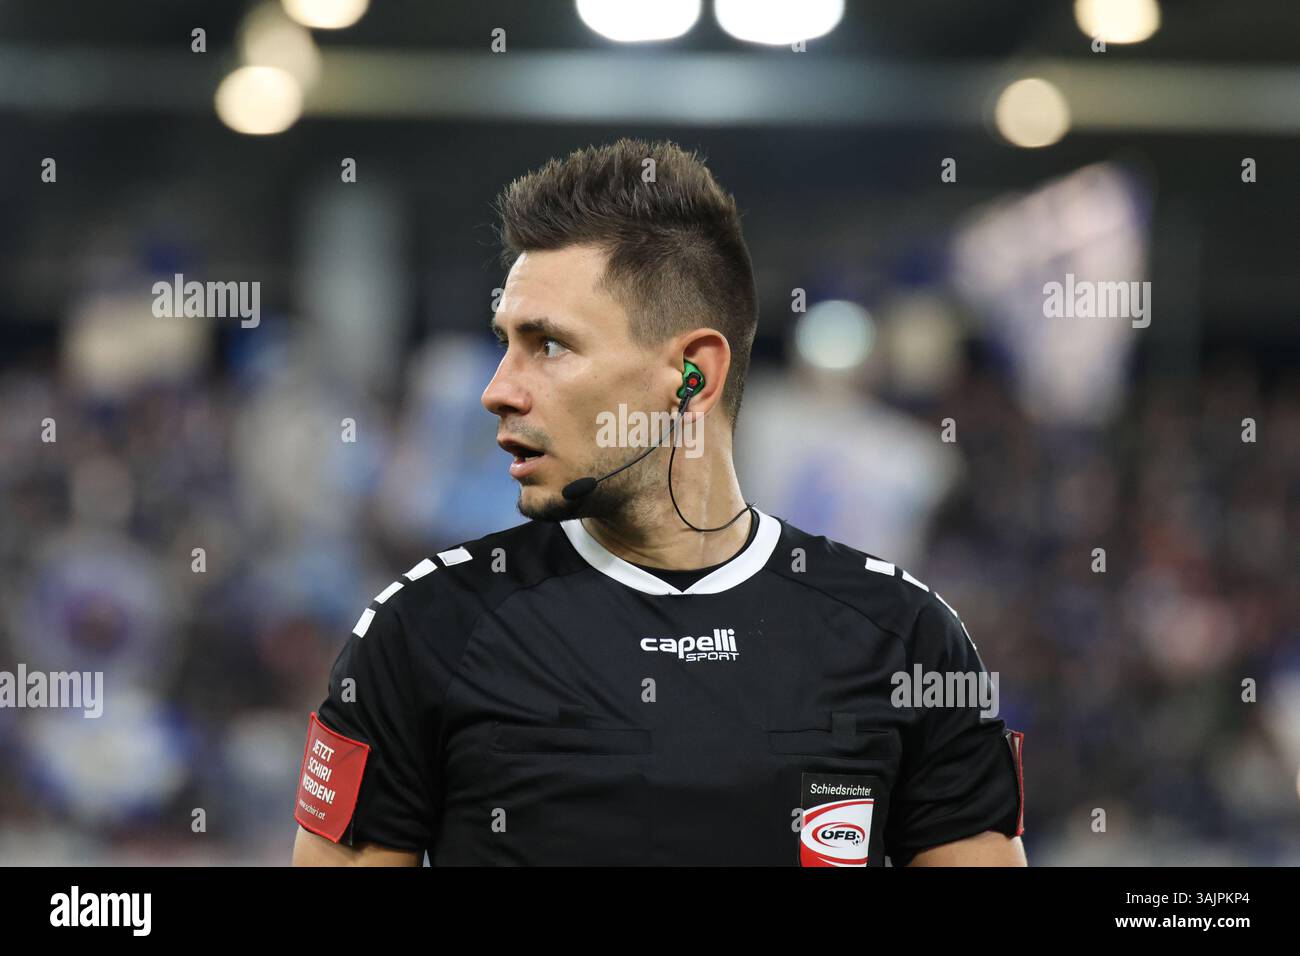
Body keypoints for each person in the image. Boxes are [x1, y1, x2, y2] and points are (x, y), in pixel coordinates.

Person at [292, 138, 1026, 866]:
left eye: (547, 346)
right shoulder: (423, 630)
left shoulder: (906, 639)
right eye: (504, 343)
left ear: (690, 377)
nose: (499, 390)